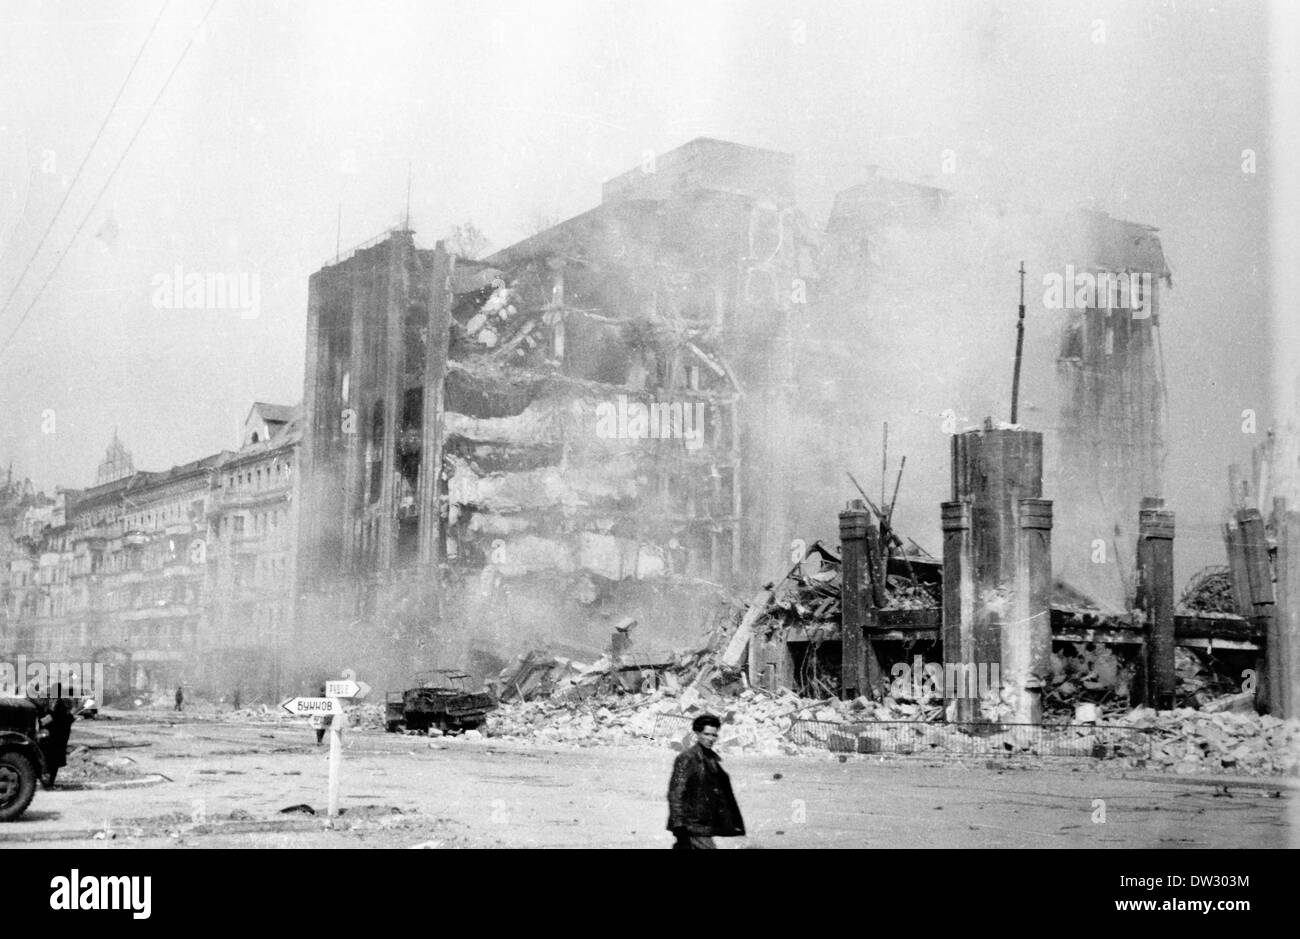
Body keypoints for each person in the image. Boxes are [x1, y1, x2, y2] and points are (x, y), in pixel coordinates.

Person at [666, 713, 745, 849]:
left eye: (714, 735)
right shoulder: (687, 758)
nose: (711, 739)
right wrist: (678, 823)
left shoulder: (710, 758)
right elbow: (676, 792)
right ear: (697, 733)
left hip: (703, 822)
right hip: (691, 823)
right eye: (707, 734)